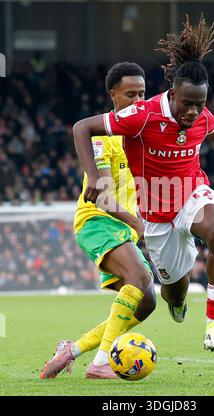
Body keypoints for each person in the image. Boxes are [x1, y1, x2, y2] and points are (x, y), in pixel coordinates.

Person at [72, 15, 214, 354]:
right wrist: (92, 174)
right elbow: (81, 128)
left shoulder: (200, 114)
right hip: (156, 211)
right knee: (173, 293)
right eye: (188, 104)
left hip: (191, 192)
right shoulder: (142, 115)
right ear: (173, 94)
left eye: (200, 105)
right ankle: (178, 303)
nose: (194, 112)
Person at [40, 62, 156, 380]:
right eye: (130, 94)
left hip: (124, 228)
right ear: (112, 95)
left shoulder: (143, 137)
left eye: (143, 94)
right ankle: (102, 362)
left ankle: (71, 350)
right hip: (97, 221)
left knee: (147, 303)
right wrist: (138, 223)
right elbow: (103, 196)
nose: (137, 101)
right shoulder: (102, 136)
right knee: (138, 279)